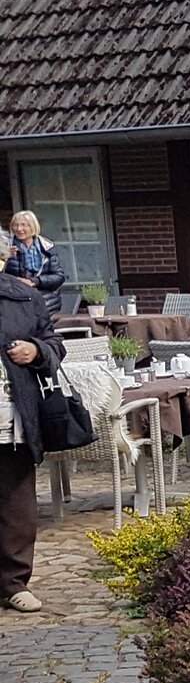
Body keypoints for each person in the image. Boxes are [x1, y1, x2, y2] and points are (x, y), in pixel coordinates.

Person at [0, 263, 65, 613]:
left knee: (16, 505)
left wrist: (36, 351)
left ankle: (14, 583)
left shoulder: (23, 294)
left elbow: (55, 345)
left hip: (11, 415)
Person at [4, 213, 66, 318]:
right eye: (16, 225)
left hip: (46, 304)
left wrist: (34, 281)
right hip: (17, 305)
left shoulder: (46, 247)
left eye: (24, 225)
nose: (19, 229)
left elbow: (59, 277)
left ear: (33, 226)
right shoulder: (5, 247)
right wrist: (4, 257)